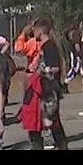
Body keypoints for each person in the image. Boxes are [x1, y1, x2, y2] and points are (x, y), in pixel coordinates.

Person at [20, 19, 68, 150]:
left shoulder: (49, 46)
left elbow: (55, 68)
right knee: (49, 121)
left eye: (34, 30)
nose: (33, 33)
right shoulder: (45, 46)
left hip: (49, 90)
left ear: (40, 30)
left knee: (50, 121)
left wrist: (41, 70)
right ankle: (57, 145)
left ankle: (57, 145)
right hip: (44, 89)